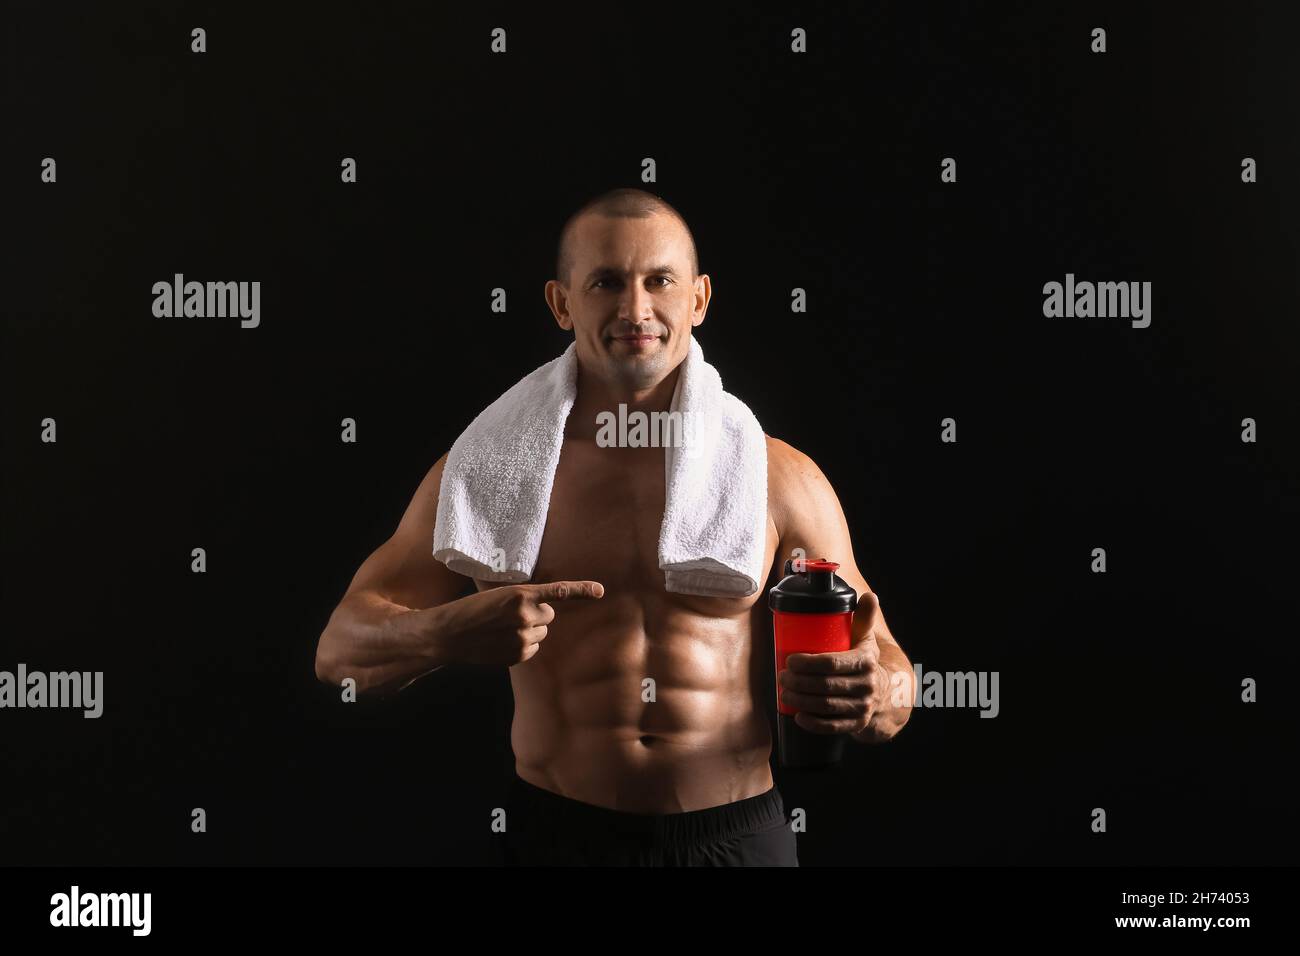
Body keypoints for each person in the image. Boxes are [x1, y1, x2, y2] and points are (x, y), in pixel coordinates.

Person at [314, 188, 913, 865]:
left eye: (660, 280)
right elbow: (339, 656)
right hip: (559, 837)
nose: (636, 310)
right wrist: (444, 634)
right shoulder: (486, 468)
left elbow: (886, 665)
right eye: (606, 282)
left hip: (735, 838)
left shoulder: (778, 477)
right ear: (561, 302)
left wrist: (878, 691)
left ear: (698, 299)